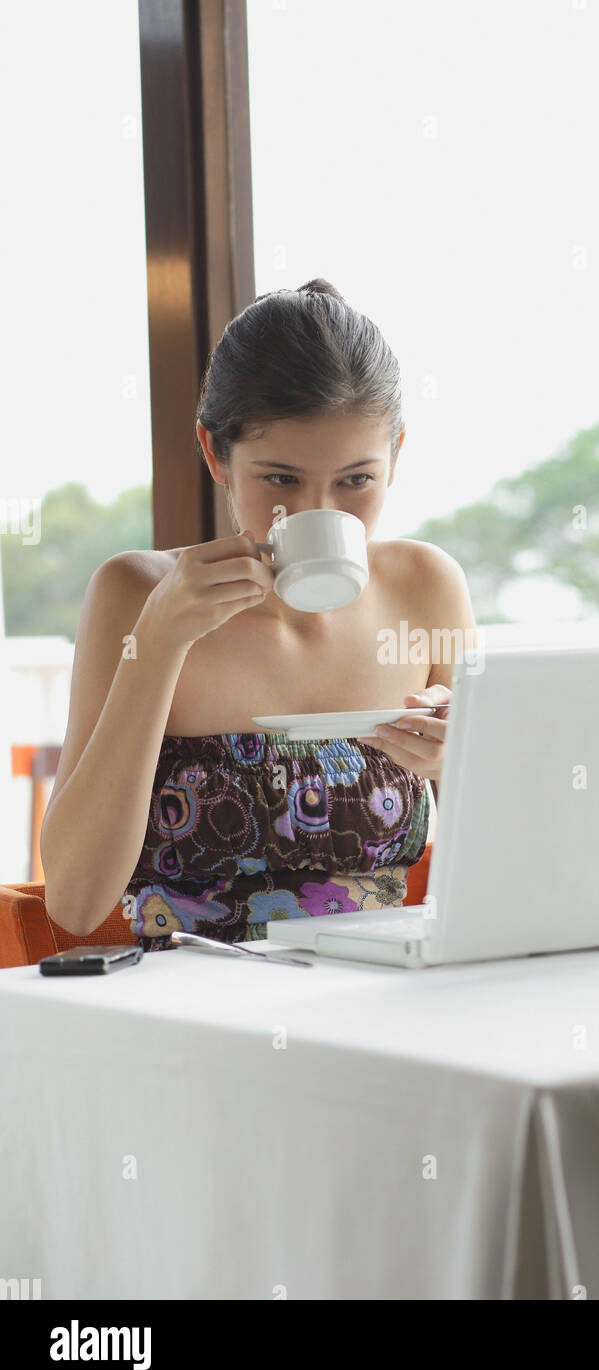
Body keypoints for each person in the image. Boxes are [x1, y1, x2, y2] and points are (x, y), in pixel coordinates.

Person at [41, 279, 477, 949]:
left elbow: (501, 877)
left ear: (395, 455)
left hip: (384, 1000)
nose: (313, 512)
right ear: (216, 453)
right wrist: (156, 648)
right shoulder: (135, 593)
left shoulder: (425, 587)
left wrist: (465, 764)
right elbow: (73, 902)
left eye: (355, 480)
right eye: (279, 479)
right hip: (191, 1013)